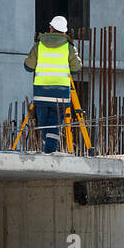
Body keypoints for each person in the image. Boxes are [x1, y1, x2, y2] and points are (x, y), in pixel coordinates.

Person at [22, 16, 83, 154]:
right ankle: (50, 152)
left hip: (41, 94)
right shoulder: (69, 48)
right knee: (54, 126)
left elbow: (28, 67)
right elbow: (76, 68)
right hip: (60, 95)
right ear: (64, 32)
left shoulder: (39, 46)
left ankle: (47, 150)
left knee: (44, 126)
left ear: (50, 28)